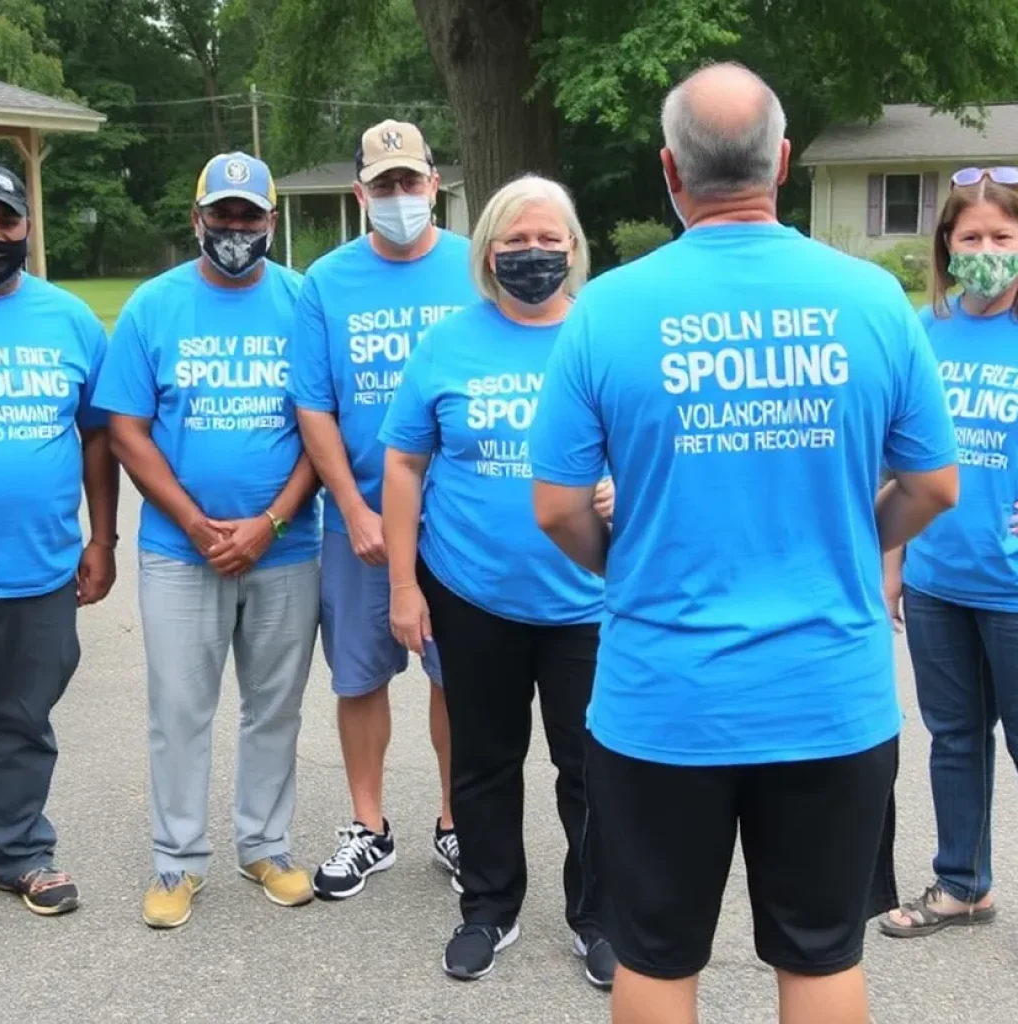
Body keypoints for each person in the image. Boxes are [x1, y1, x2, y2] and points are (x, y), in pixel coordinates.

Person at [528, 63, 960, 1024]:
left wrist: (624, 564)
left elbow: (557, 509)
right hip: (828, 699)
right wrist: (860, 541)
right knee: (819, 959)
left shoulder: (607, 308)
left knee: (652, 958)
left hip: (662, 701)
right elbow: (934, 484)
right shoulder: (872, 302)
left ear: (670, 173)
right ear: (785, 162)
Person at [379, 174, 617, 987]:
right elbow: (405, 464)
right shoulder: (448, 342)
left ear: (575, 248)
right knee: (483, 760)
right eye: (514, 241)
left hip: (587, 597)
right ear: (485, 252)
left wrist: (628, 482)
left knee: (591, 764)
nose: (532, 254)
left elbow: (653, 444)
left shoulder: (601, 334)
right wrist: (404, 587)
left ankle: (597, 917)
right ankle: (489, 907)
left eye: (549, 240)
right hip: (471, 591)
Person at [93, 152, 321, 929]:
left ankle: (265, 845)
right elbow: (124, 426)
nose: (234, 229)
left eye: (248, 216)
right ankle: (177, 860)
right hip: (176, 549)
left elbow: (321, 430)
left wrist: (272, 521)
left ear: (271, 221)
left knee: (275, 707)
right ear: (197, 219)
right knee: (180, 707)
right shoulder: (154, 307)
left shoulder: (303, 302)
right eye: (221, 215)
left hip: (284, 547)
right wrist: (194, 522)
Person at [289, 120, 475, 899]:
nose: (399, 197)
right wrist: (353, 508)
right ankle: (369, 826)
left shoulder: (477, 268)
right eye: (384, 185)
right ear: (361, 193)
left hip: (459, 520)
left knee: (455, 678)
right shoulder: (324, 283)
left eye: (411, 182)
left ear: (435, 185)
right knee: (359, 678)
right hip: (358, 522)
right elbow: (314, 406)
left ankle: (454, 820)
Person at [879, 167, 1018, 940]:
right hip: (936, 578)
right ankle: (962, 883)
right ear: (947, 245)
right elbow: (902, 459)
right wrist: (894, 568)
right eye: (973, 237)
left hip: (1013, 588)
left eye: (1003, 237)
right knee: (956, 739)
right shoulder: (924, 331)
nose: (988, 250)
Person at [0, 164, 119, 917]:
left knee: (22, 717)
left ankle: (19, 851)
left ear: (26, 225)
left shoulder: (71, 320)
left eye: (4, 221)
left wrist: (101, 540)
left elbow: (98, 440)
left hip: (38, 568)